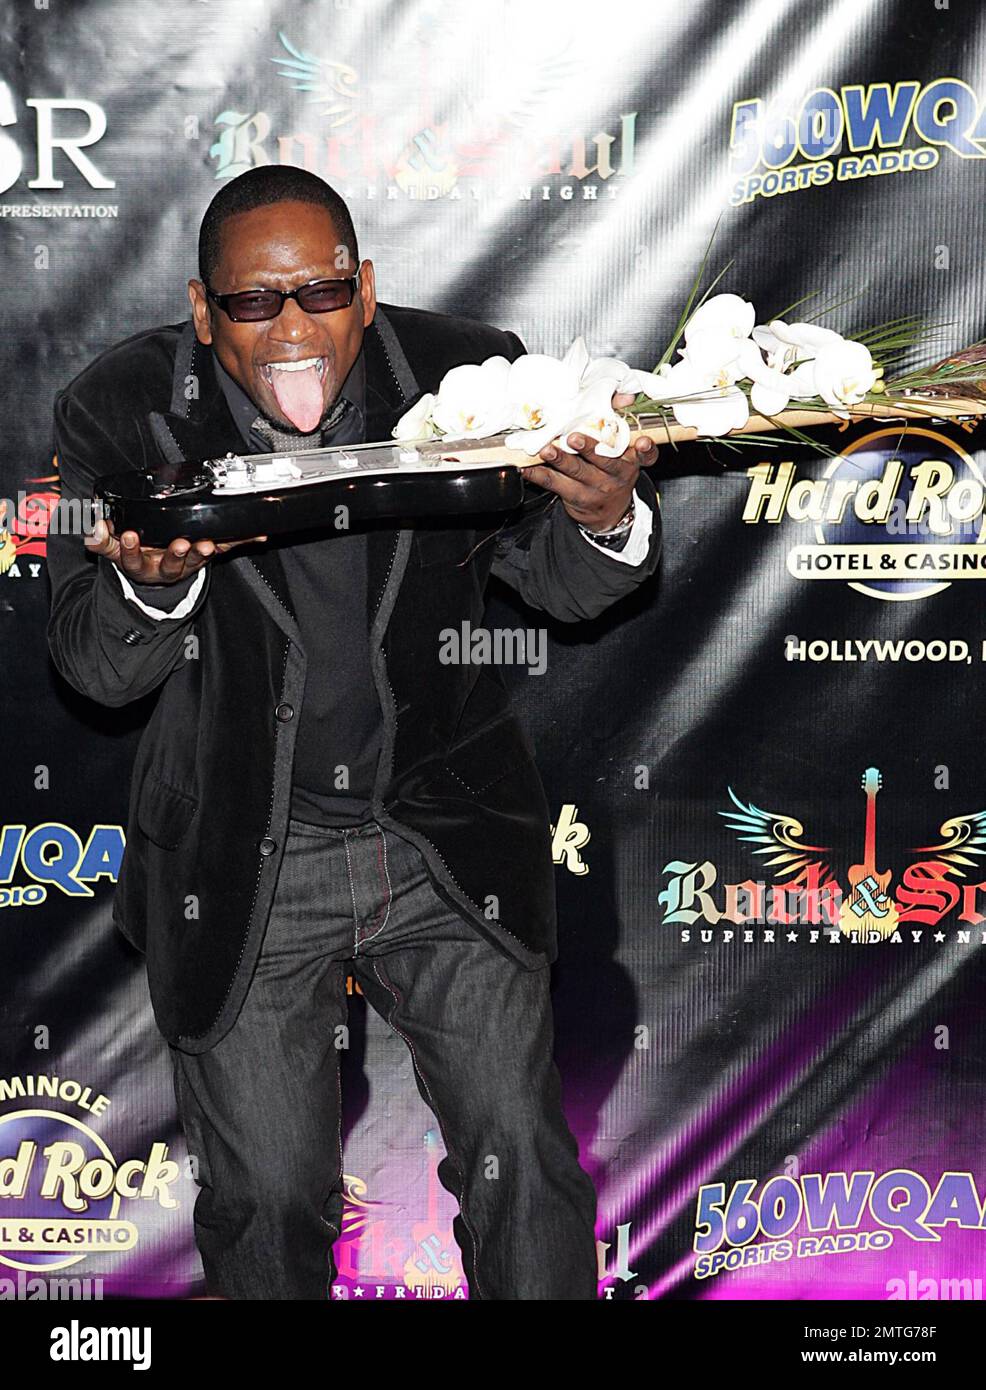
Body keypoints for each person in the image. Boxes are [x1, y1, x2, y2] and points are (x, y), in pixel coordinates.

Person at [46, 165, 662, 1301]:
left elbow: (563, 586)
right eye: (252, 303)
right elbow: (90, 661)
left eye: (322, 292)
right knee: (270, 1198)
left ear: (365, 288)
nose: (293, 327)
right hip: (244, 855)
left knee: (519, 1159)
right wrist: (151, 591)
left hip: (442, 833)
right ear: (201, 309)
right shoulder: (121, 408)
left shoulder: (467, 377)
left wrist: (605, 513)